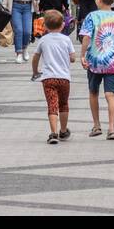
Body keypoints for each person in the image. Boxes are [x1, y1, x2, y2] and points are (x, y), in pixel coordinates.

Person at [79, 0, 114, 140]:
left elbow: (86, 37)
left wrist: (82, 55)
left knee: (93, 92)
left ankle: (97, 125)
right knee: (110, 95)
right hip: (112, 63)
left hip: (94, 62)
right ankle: (112, 129)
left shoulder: (91, 17)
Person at [31, 9, 75, 143]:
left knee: (52, 105)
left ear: (44, 26)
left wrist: (35, 71)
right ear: (62, 25)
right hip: (64, 79)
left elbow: (35, 58)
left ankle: (53, 133)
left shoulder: (43, 40)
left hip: (48, 78)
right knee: (63, 104)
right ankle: (63, 130)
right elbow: (73, 58)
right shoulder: (66, 40)